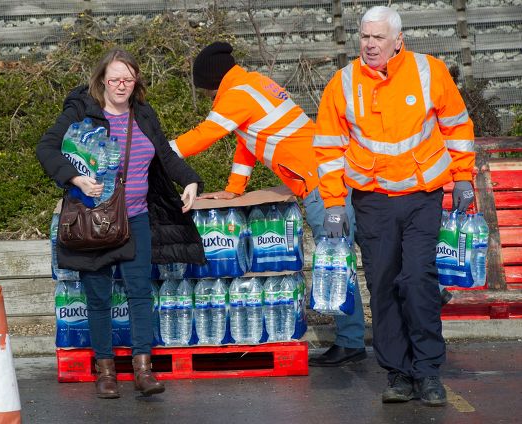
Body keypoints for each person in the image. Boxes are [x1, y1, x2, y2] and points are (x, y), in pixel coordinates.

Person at [313, 6, 475, 407]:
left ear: (397, 40)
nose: (369, 44)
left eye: (377, 38)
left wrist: (464, 177)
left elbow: (457, 126)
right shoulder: (344, 82)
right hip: (372, 200)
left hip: (423, 195)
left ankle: (428, 371)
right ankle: (398, 374)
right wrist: (334, 203)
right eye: (364, 37)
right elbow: (329, 147)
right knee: (383, 285)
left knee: (418, 280)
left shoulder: (429, 71)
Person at [170, 41, 367, 366]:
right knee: (369, 253)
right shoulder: (254, 84)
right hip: (332, 173)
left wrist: (164, 151)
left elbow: (206, 133)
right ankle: (420, 299)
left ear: (211, 80)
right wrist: (234, 189)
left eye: (204, 89)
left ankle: (351, 341)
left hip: (320, 184)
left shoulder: (238, 95)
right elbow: (249, 142)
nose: (205, 96)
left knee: (335, 262)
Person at [37, 48, 205, 399]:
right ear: (101, 80)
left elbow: (165, 155)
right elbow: (47, 148)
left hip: (137, 217)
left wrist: (190, 181)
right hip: (91, 220)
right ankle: (106, 370)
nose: (121, 85)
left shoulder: (143, 114)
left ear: (136, 81)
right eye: (114, 78)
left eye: (128, 79)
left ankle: (143, 369)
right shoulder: (81, 111)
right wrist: (75, 179)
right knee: (97, 297)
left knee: (140, 292)